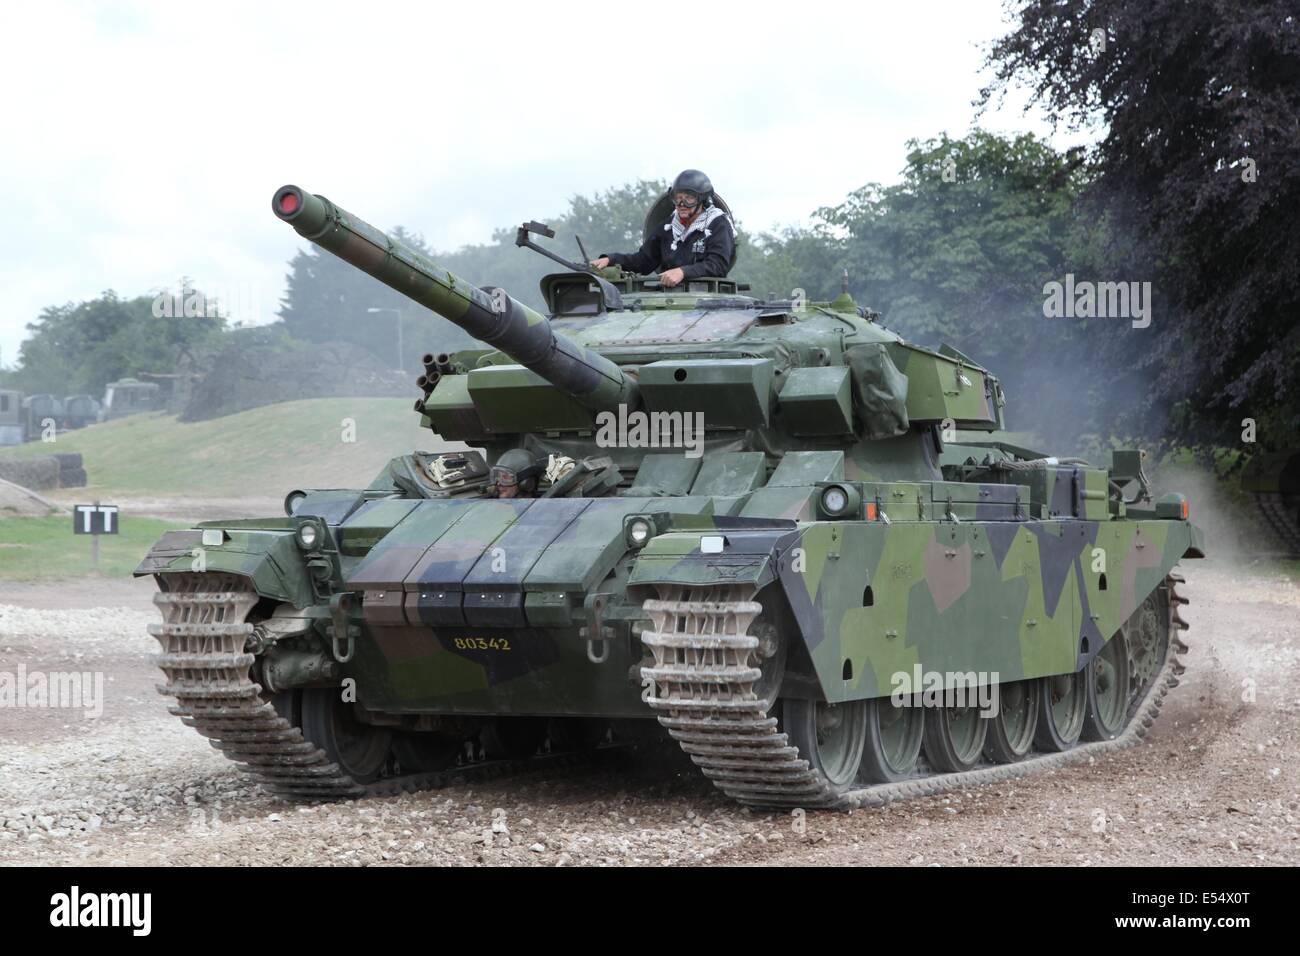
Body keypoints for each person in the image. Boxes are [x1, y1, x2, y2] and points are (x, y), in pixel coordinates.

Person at [591, 169, 735, 287]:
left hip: (704, 296)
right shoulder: (669, 226)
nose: (681, 203)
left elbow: (718, 265)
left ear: (702, 199)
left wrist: (683, 272)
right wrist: (611, 259)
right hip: (669, 296)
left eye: (688, 198)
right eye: (678, 198)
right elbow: (643, 261)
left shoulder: (717, 223)